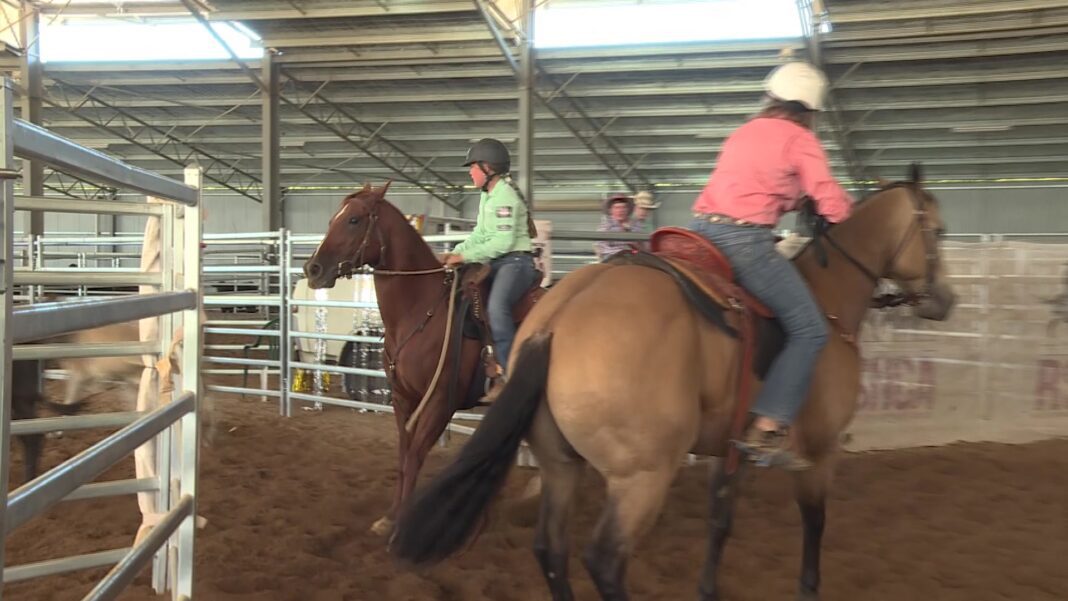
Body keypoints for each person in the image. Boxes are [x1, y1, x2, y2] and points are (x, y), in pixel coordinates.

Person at [689, 61, 854, 470]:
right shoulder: (800, 140)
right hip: (743, 242)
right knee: (810, 329)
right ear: (809, 110)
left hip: (696, 235)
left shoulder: (742, 133)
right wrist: (843, 215)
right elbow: (828, 199)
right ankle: (767, 426)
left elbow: (755, 184)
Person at [441, 138, 538, 373]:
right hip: (498, 262)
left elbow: (502, 242)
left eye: (473, 167)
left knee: (496, 307)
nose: (470, 173)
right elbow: (481, 234)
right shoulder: (488, 195)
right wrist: (456, 253)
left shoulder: (505, 197)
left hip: (516, 262)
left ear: (488, 168)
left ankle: (509, 368)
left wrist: (463, 258)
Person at [594, 193, 637, 260]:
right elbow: (601, 246)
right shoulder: (605, 226)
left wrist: (628, 231)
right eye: (617, 208)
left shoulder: (634, 225)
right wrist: (619, 253)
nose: (621, 211)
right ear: (611, 210)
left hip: (631, 257)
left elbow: (638, 245)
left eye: (624, 207)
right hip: (611, 257)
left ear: (627, 210)